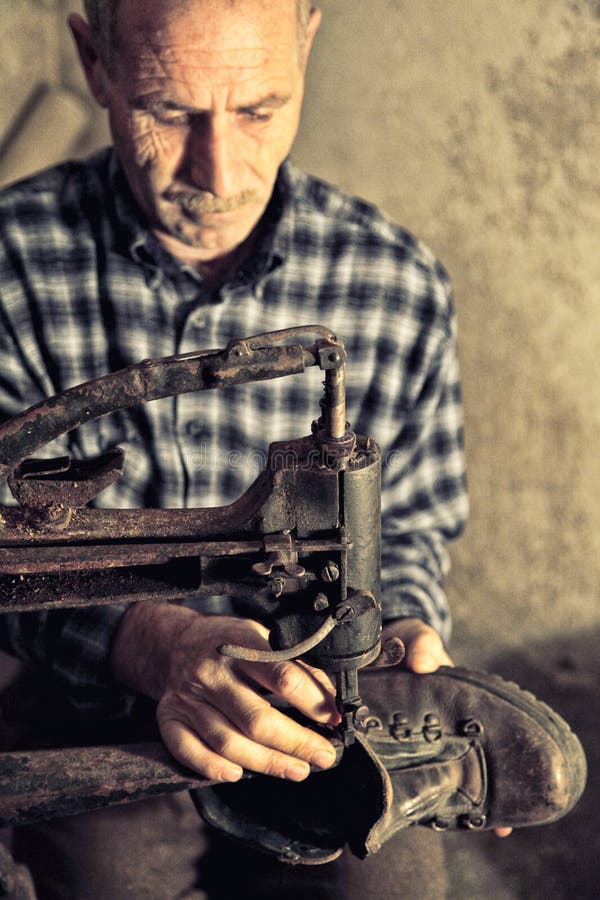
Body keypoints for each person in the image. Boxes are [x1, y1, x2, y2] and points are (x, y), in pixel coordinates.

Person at [0, 1, 582, 897]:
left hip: (325, 707)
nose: (220, 171)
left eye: (258, 109)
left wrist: (395, 634)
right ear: (95, 61)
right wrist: (157, 646)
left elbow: (411, 526)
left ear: (306, 44)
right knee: (101, 876)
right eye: (170, 110)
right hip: (93, 698)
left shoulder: (396, 281)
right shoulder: (12, 267)